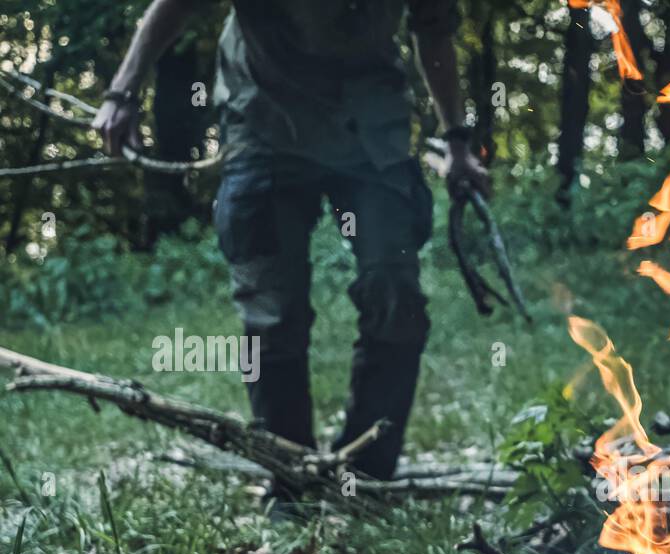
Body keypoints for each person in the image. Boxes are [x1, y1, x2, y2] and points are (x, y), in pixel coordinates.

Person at [94, 0, 488, 489]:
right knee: (271, 311)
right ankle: (291, 479)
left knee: (395, 290)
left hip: (369, 125)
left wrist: (455, 142)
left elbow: (433, 30)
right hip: (263, 117)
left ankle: (368, 477)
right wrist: (122, 93)